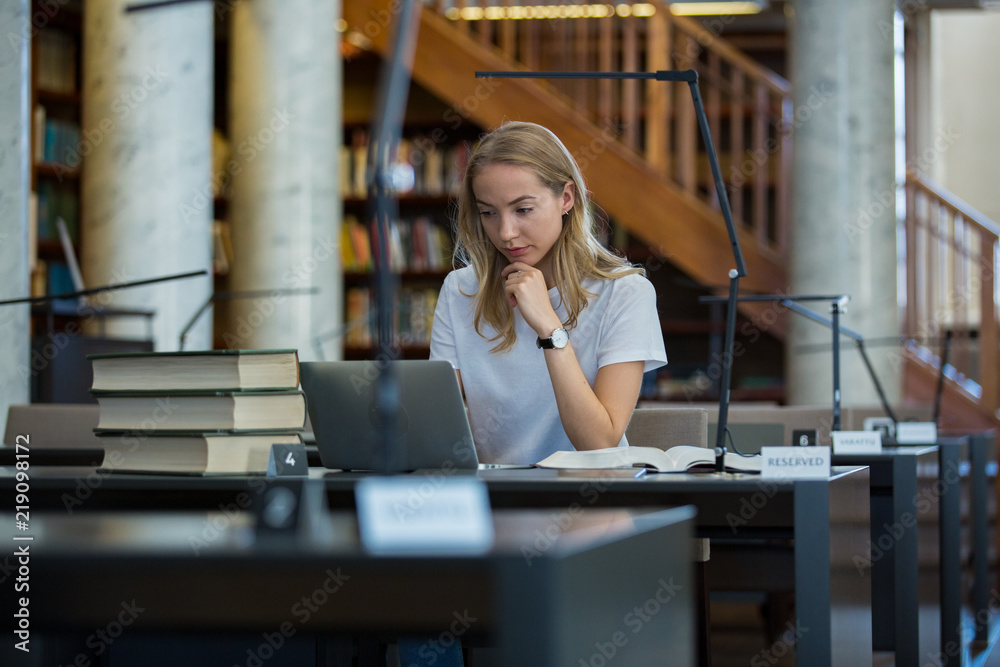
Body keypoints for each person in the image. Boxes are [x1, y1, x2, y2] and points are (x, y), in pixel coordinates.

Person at [430, 121, 667, 465]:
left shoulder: (626, 293)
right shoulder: (461, 290)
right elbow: (437, 421)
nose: (506, 232)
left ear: (566, 198)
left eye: (523, 209)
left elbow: (599, 443)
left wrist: (550, 329)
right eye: (488, 213)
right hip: (492, 500)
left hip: (589, 499)